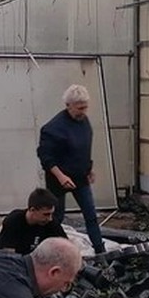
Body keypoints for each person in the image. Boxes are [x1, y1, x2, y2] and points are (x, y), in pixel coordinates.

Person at [37, 84, 106, 255]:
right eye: (79, 108)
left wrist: (88, 168)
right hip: (58, 179)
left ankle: (100, 251)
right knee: (55, 218)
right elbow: (45, 157)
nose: (83, 111)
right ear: (68, 105)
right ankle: (47, 251)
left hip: (80, 177)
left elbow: (84, 147)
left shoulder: (84, 121)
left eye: (85, 107)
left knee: (90, 214)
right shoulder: (53, 128)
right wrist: (60, 177)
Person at [0, 188, 67, 255]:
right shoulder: (14, 221)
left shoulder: (51, 223)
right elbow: (6, 254)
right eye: (46, 214)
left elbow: (66, 245)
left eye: (51, 214)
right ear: (32, 210)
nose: (50, 218)